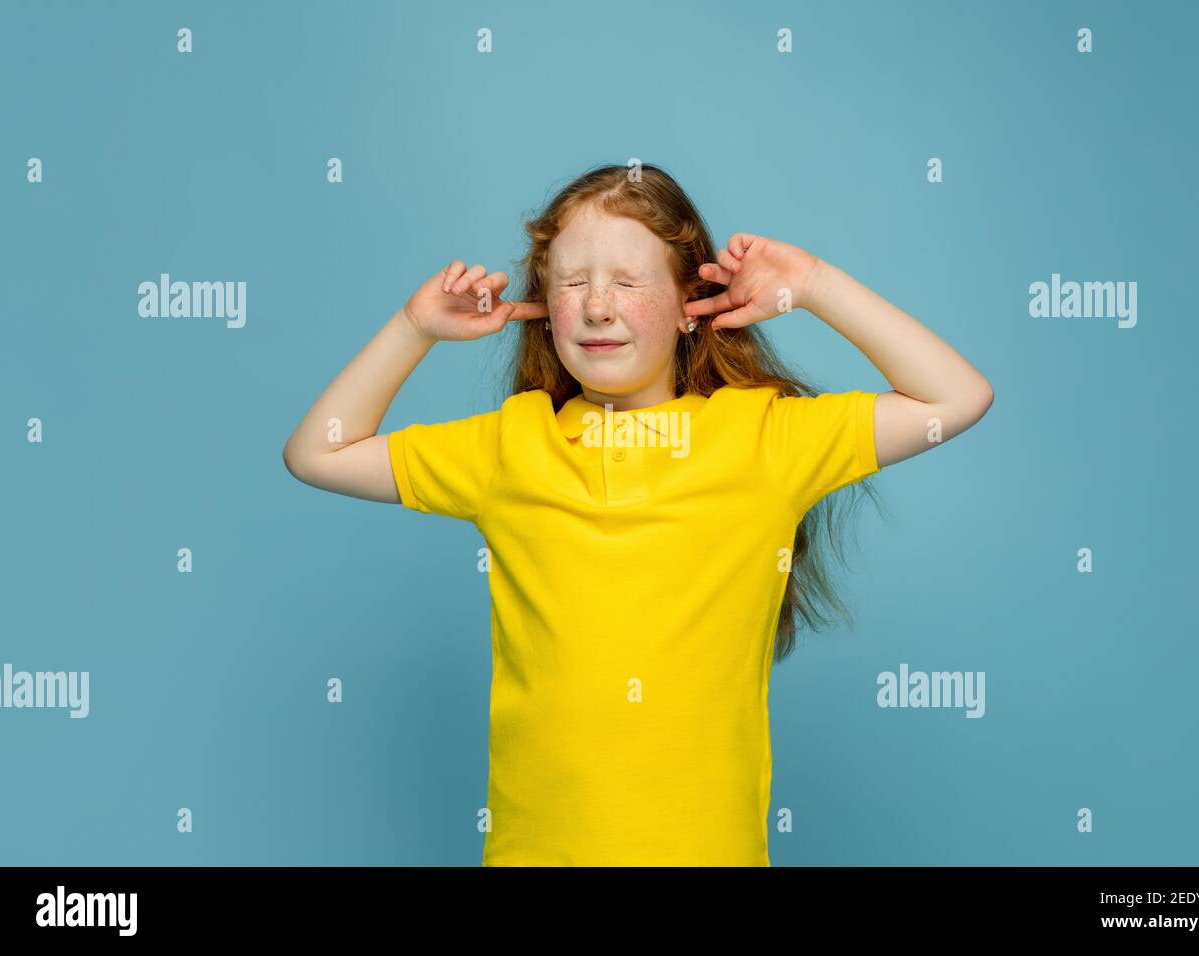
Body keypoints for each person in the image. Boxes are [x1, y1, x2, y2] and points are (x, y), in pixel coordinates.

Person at [282, 163, 994, 865]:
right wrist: (414, 328)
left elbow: (953, 398)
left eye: (627, 281)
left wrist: (813, 285)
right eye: (572, 282)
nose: (597, 306)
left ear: (691, 303)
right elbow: (320, 453)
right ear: (544, 304)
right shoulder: (510, 444)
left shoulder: (765, 438)